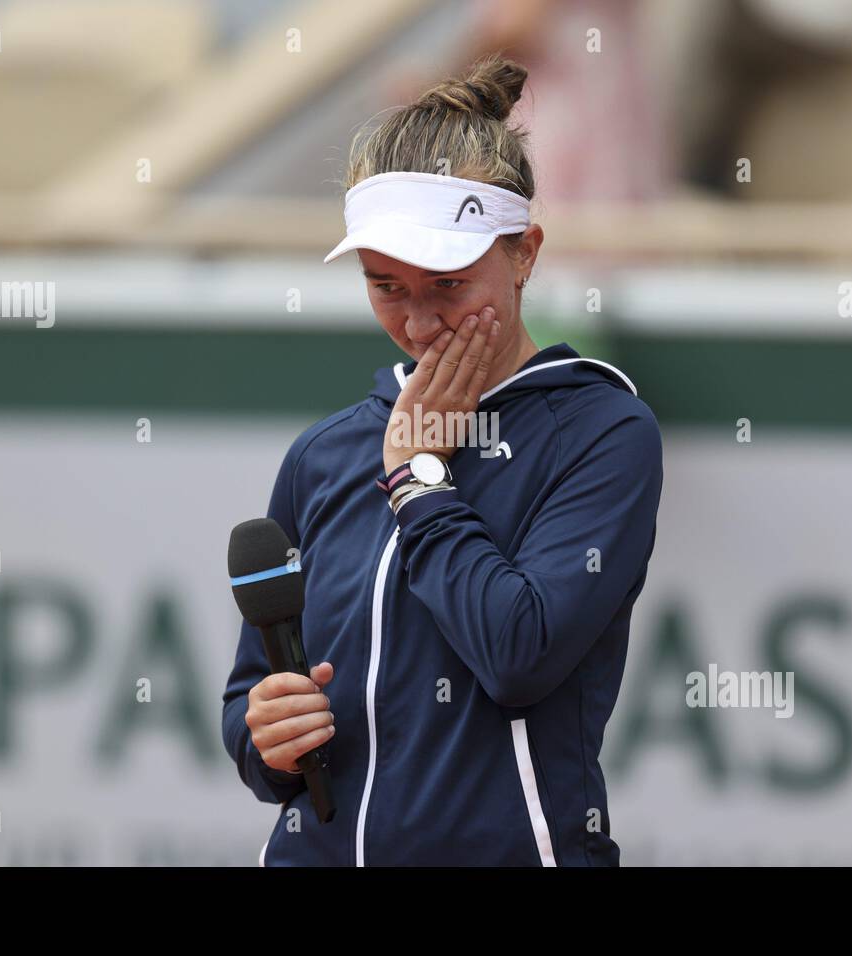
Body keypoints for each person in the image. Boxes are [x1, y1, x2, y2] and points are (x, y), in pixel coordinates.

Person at [221, 54, 664, 867]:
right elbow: (255, 698)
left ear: (524, 253)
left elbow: (519, 656)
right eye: (385, 285)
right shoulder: (323, 453)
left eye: (450, 285)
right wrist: (266, 736)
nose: (420, 322)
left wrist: (418, 481)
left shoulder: (605, 432)